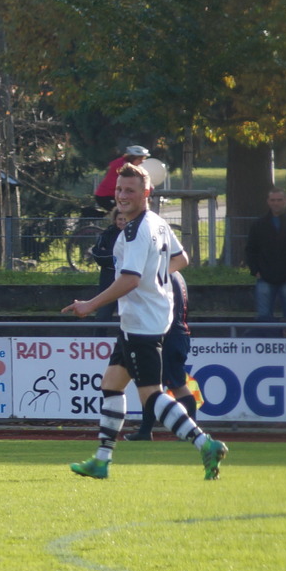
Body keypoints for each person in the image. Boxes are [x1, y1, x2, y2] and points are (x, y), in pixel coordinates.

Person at [61, 164, 228, 479]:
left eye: (130, 190)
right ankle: (101, 459)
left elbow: (130, 280)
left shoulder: (136, 230)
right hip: (141, 319)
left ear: (146, 193)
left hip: (142, 323)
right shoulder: (157, 222)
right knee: (111, 385)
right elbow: (181, 259)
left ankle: (205, 443)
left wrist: (91, 304)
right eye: (119, 189)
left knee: (151, 394)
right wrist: (158, 277)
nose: (122, 196)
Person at [128, 269, 198, 440]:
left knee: (175, 385)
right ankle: (145, 431)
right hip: (177, 333)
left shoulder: (164, 274)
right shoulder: (177, 274)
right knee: (152, 385)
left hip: (169, 335)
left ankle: (191, 431)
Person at [244, 188, 286, 328]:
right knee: (264, 318)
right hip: (264, 278)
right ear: (268, 202)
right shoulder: (259, 224)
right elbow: (251, 249)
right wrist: (255, 270)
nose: (276, 203)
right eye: (273, 200)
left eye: (279, 200)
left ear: (285, 201)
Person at [93, 145, 150, 210]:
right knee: (122, 212)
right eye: (140, 159)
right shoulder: (123, 166)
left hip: (114, 195)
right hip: (105, 196)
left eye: (143, 159)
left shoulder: (128, 164)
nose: (142, 162)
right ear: (132, 158)